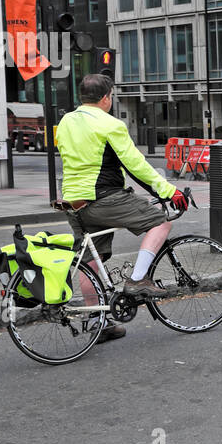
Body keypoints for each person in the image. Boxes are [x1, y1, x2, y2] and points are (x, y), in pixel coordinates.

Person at [55, 74, 188, 342]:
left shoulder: (66, 121)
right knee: (161, 222)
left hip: (73, 200)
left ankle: (98, 324)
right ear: (106, 98)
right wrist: (168, 191)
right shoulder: (109, 124)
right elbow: (135, 164)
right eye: (111, 96)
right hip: (103, 198)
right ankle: (138, 279)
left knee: (90, 262)